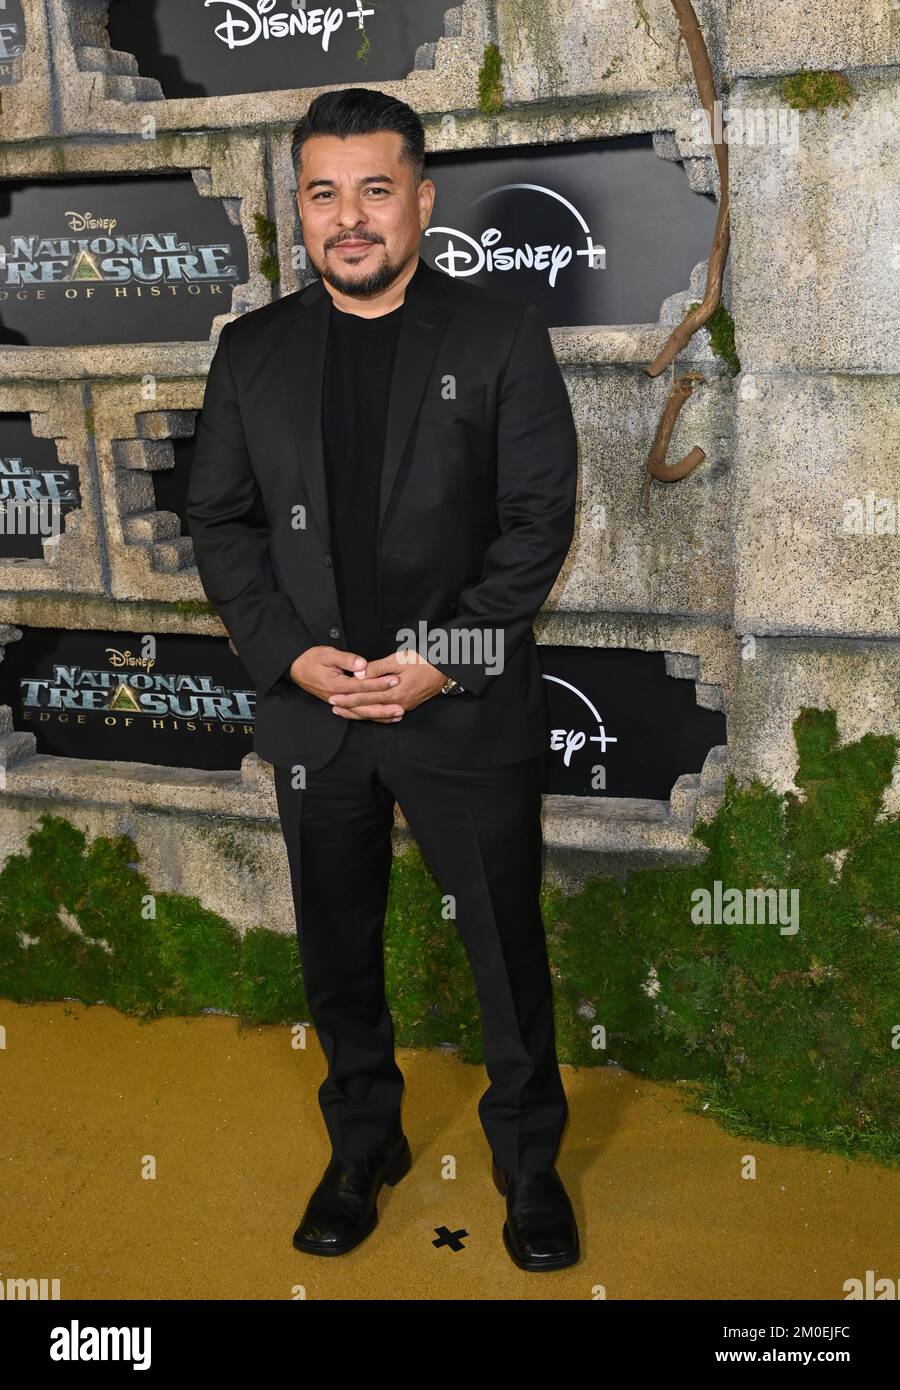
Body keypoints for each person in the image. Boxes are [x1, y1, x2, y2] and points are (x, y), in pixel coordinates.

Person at [186, 87, 580, 1272]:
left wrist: (436, 664)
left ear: (421, 198)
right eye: (322, 193)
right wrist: (289, 656)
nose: (348, 217)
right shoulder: (250, 351)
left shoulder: (498, 335)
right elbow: (220, 521)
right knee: (336, 951)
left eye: (373, 188)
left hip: (456, 710)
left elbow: (535, 528)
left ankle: (529, 1167)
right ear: (297, 210)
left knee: (505, 953)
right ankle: (364, 1145)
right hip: (317, 714)